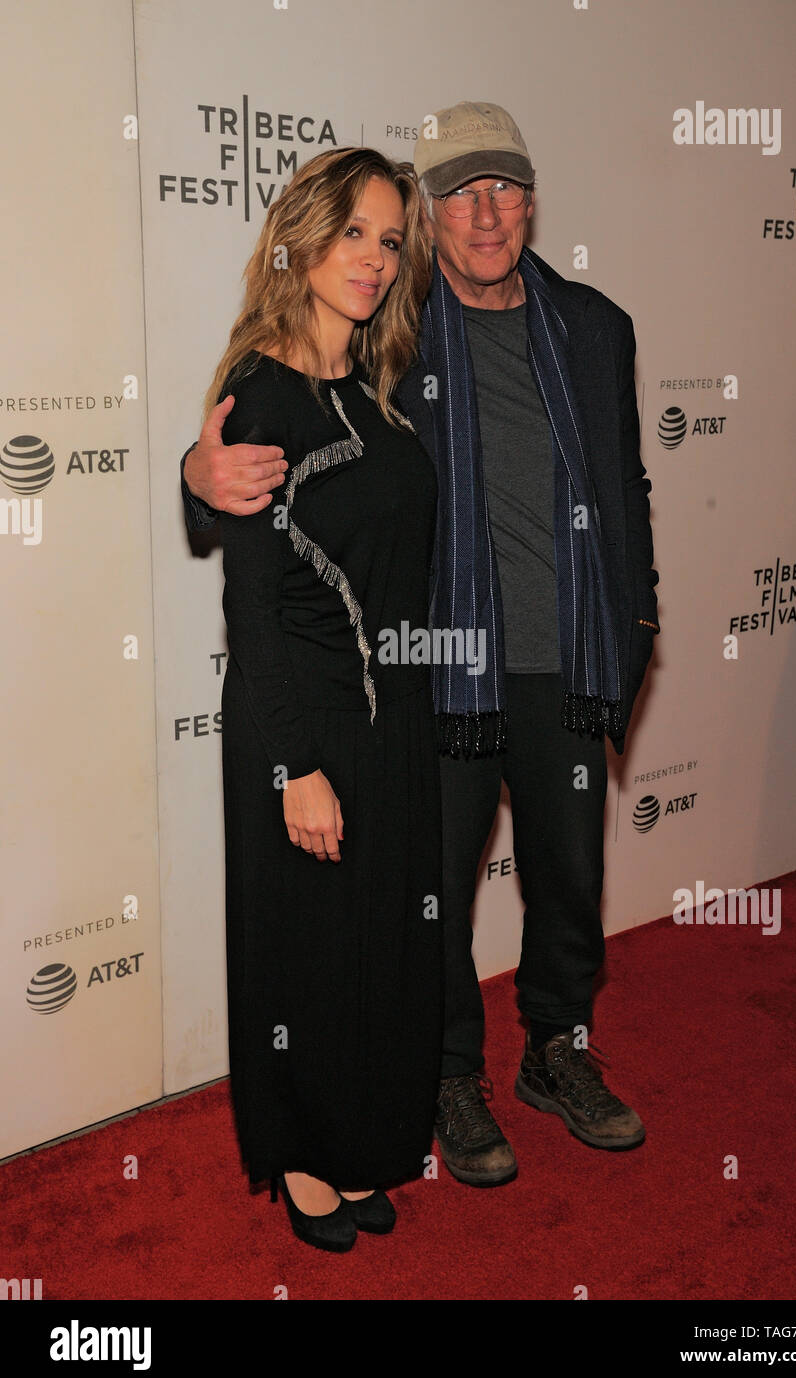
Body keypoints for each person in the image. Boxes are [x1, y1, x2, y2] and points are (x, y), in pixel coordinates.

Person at [182, 102, 659, 1190]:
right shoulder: (394, 328)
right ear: (432, 218)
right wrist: (198, 474)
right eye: (458, 195)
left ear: (531, 203)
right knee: (432, 891)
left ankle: (558, 1053)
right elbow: (285, 408)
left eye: (505, 188)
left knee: (570, 878)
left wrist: (640, 615)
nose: (485, 214)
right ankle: (451, 1075)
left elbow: (626, 483)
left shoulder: (596, 327)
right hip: (442, 665)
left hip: (569, 655)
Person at [202, 146, 442, 1252]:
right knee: (303, 950)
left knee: (369, 948)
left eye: (390, 240)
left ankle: (351, 1140)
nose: (375, 259)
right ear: (302, 239)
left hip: (388, 717)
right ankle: (296, 1151)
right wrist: (295, 764)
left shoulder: (375, 389)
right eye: (354, 232)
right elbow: (252, 608)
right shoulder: (258, 394)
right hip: (294, 720)